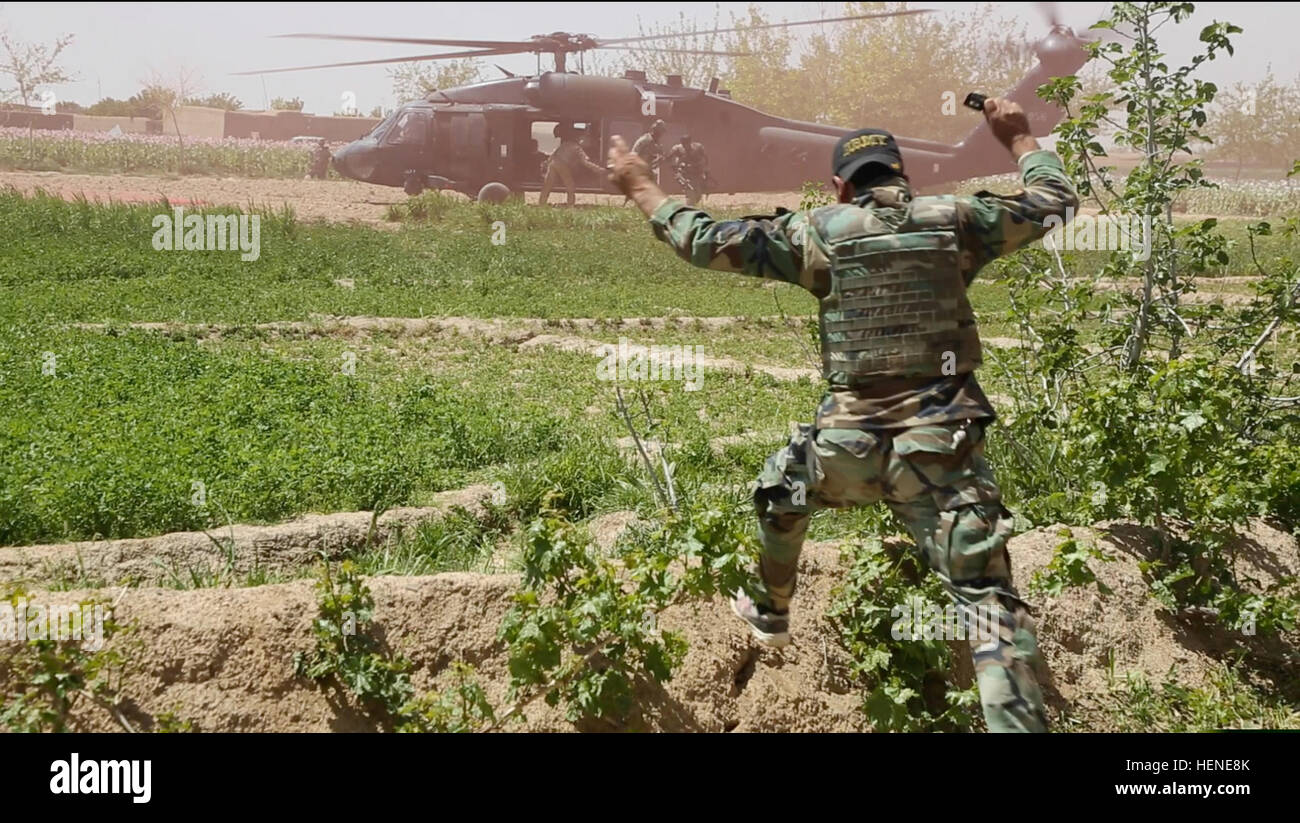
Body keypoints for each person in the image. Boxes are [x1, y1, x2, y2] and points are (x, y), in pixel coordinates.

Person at [606, 98, 1079, 733]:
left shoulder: (814, 231)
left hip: (847, 451)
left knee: (782, 483)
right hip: (943, 455)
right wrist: (1019, 137)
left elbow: (703, 240)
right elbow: (1056, 201)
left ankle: (772, 607)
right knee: (989, 611)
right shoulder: (960, 221)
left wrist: (640, 186)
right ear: (902, 175)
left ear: (840, 186)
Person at [540, 124, 607, 207]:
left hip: (553, 163)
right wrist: (599, 170)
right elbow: (586, 163)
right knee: (570, 186)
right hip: (562, 165)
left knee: (547, 185)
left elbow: (552, 156)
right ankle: (570, 205)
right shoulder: (577, 148)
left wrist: (546, 165)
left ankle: (542, 204)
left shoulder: (566, 144)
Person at [663, 133, 709, 206]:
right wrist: (673, 166)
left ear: (690, 142)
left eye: (686, 143)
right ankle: (688, 209)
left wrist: (705, 169)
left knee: (698, 194)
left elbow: (705, 158)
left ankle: (688, 205)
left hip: (696, 173)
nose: (685, 146)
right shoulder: (678, 148)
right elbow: (668, 157)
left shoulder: (698, 147)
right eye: (683, 144)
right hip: (684, 174)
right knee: (690, 192)